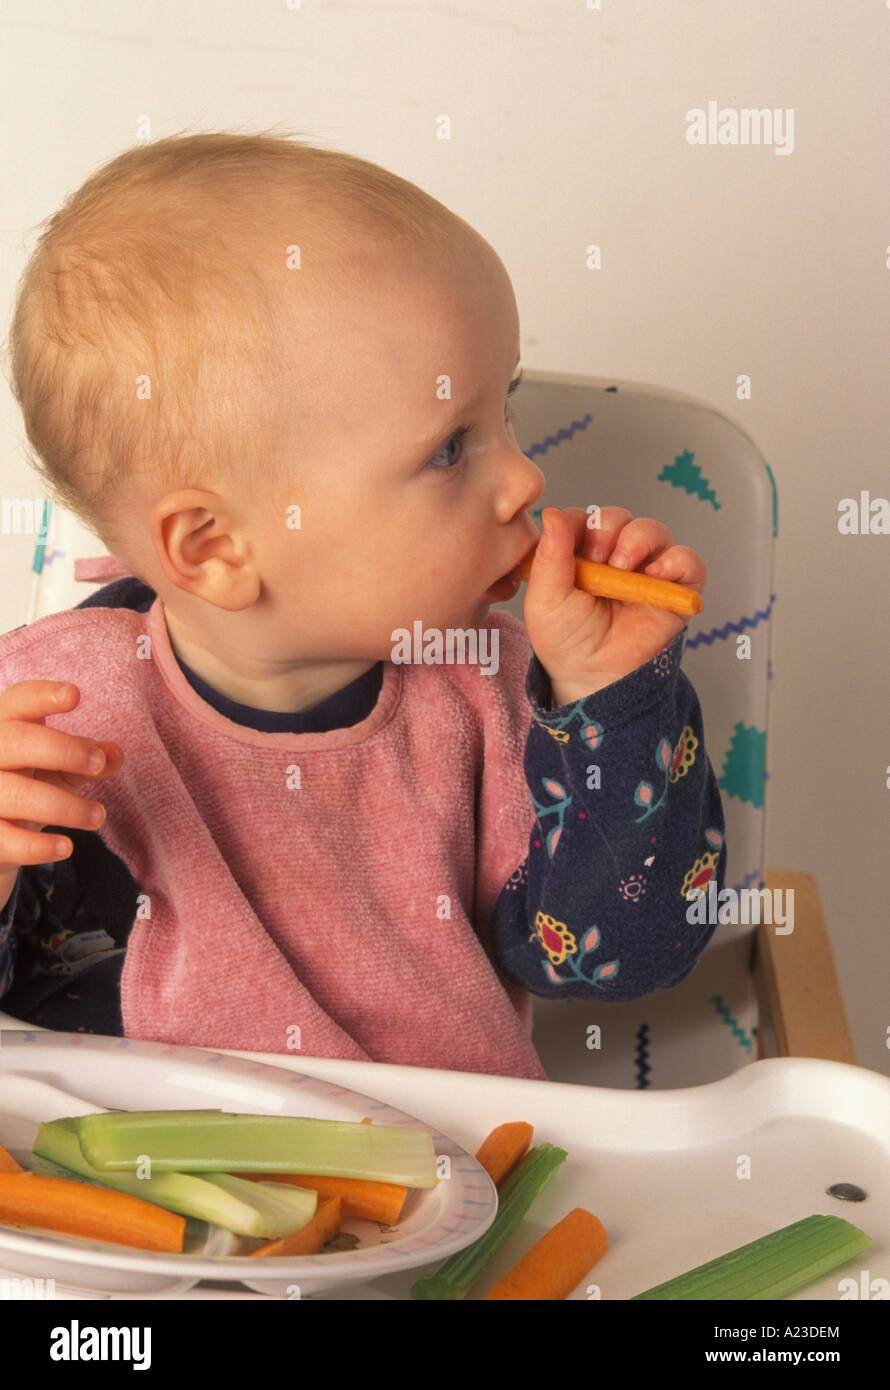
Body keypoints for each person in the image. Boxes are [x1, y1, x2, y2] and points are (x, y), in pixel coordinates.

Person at [0, 131, 725, 1080]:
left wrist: (608, 700)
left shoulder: (502, 694)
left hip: (450, 1177)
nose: (525, 478)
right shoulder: (55, 709)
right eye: (450, 449)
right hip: (136, 1190)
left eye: (501, 410)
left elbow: (620, 953)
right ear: (216, 549)